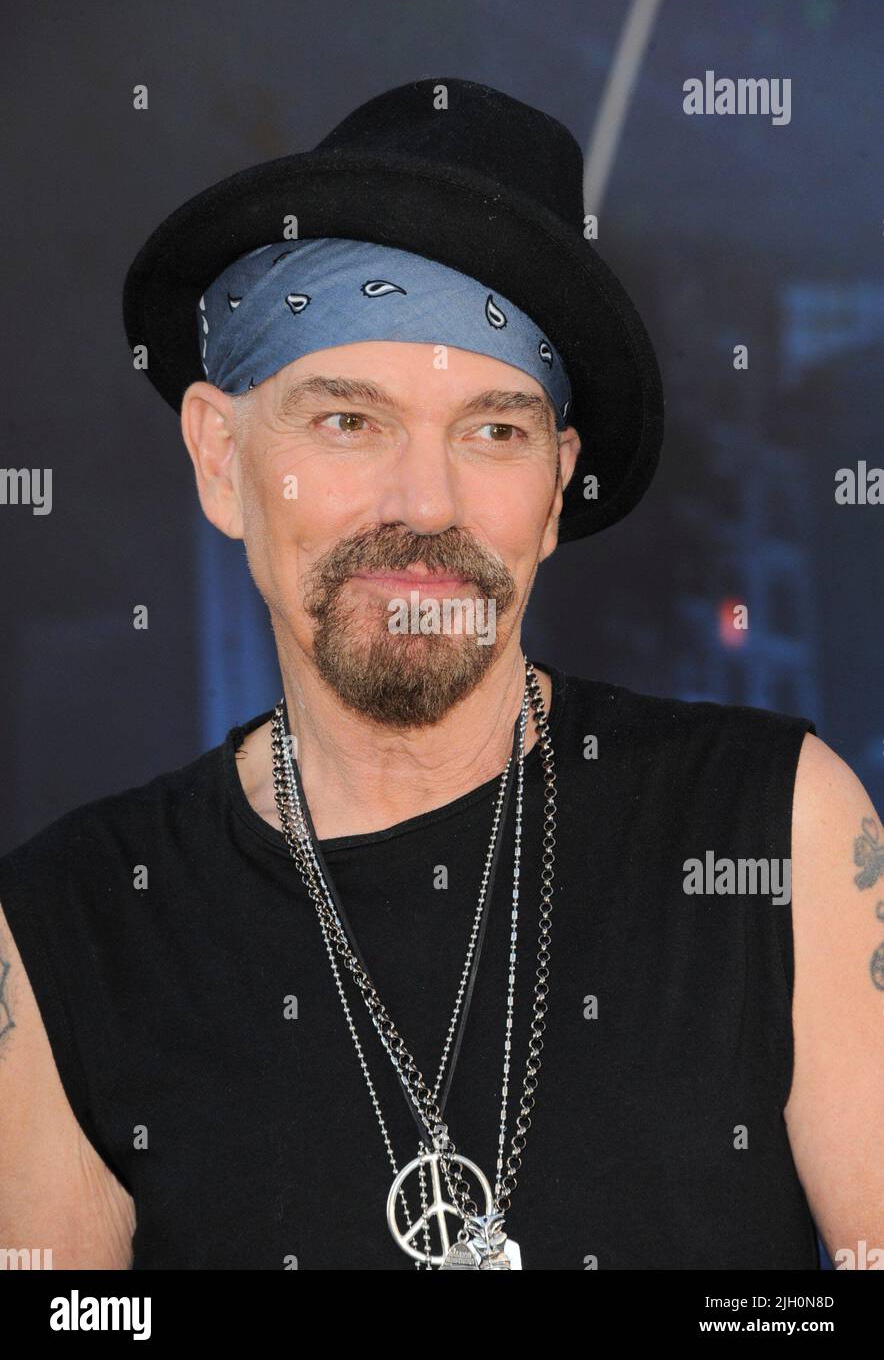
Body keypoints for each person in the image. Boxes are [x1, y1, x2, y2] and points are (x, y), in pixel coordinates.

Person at [0, 78, 881, 1271]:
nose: (425, 507)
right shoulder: (66, 930)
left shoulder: (779, 828)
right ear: (221, 458)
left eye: (494, 429)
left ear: (555, 488)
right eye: (349, 421)